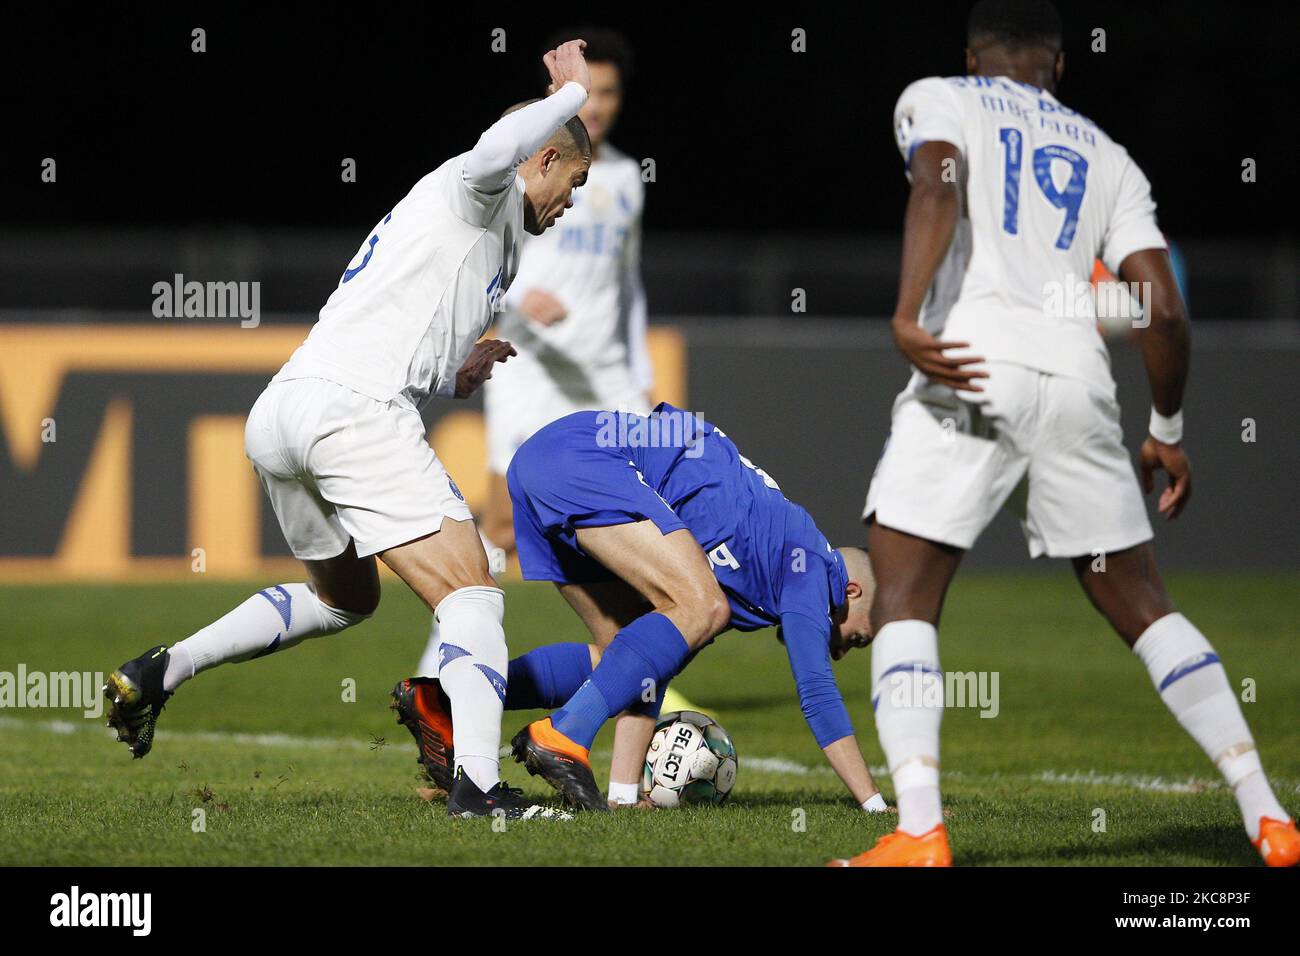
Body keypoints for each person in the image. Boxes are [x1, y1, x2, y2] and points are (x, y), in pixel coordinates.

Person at [833, 0, 1297, 866]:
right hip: (1079, 380)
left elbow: (937, 176)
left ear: (974, 54)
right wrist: (1167, 426)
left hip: (971, 366)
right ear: (1060, 65)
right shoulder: (1108, 155)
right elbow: (1160, 304)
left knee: (902, 596)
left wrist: (906, 310)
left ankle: (921, 829)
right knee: (1144, 604)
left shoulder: (942, 95)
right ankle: (1266, 813)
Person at [102, 40, 598, 821]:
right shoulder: (484, 186)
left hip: (288, 409)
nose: (573, 201)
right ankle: (478, 789)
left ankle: (163, 669)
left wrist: (455, 371)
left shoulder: (486, 233)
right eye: (575, 179)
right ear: (544, 158)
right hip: (350, 411)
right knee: (472, 593)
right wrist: (574, 94)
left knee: (344, 600)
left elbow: (403, 322)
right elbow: (497, 144)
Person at [401, 403, 885, 812]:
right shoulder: (814, 568)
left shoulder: (771, 560)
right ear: (853, 593)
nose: (845, 650)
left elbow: (652, 675)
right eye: (859, 637)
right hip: (588, 457)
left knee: (631, 650)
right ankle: (564, 734)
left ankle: (448, 701)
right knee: (704, 607)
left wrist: (626, 794)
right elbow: (817, 691)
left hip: (544, 459)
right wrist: (875, 806)